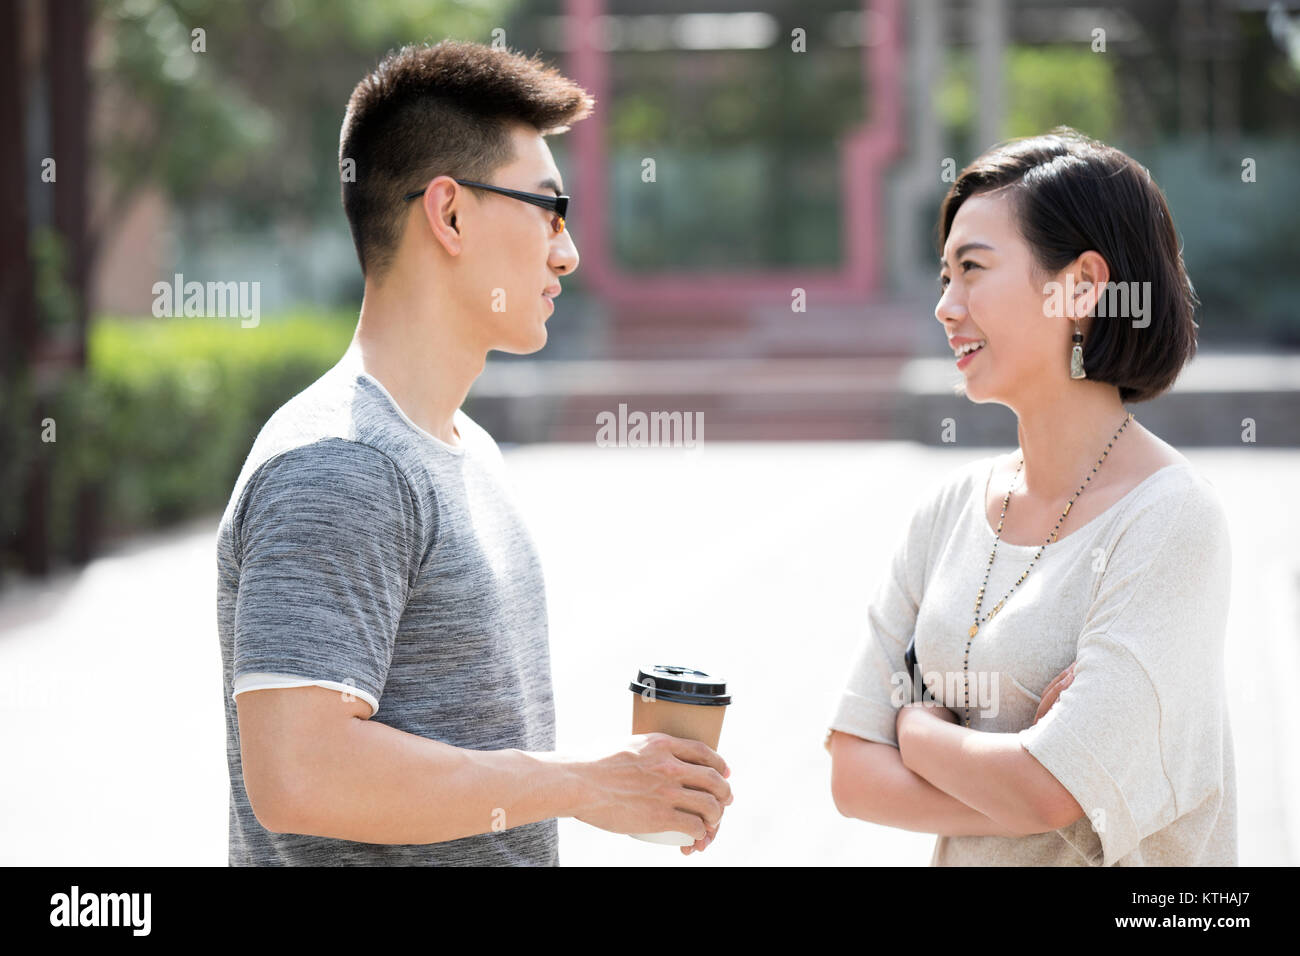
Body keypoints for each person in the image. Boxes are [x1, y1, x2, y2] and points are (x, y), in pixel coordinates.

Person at [215, 39, 732, 866]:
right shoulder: (340, 466)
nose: (567, 251)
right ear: (450, 214)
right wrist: (583, 784)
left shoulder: (468, 449)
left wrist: (608, 785)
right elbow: (300, 775)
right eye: (548, 209)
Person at [825, 127, 1235, 866]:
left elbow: (1046, 789)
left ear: (1080, 286)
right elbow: (853, 775)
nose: (946, 306)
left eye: (972, 269)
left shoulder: (1170, 519)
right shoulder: (948, 510)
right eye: (944, 275)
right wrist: (1020, 783)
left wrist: (916, 730)